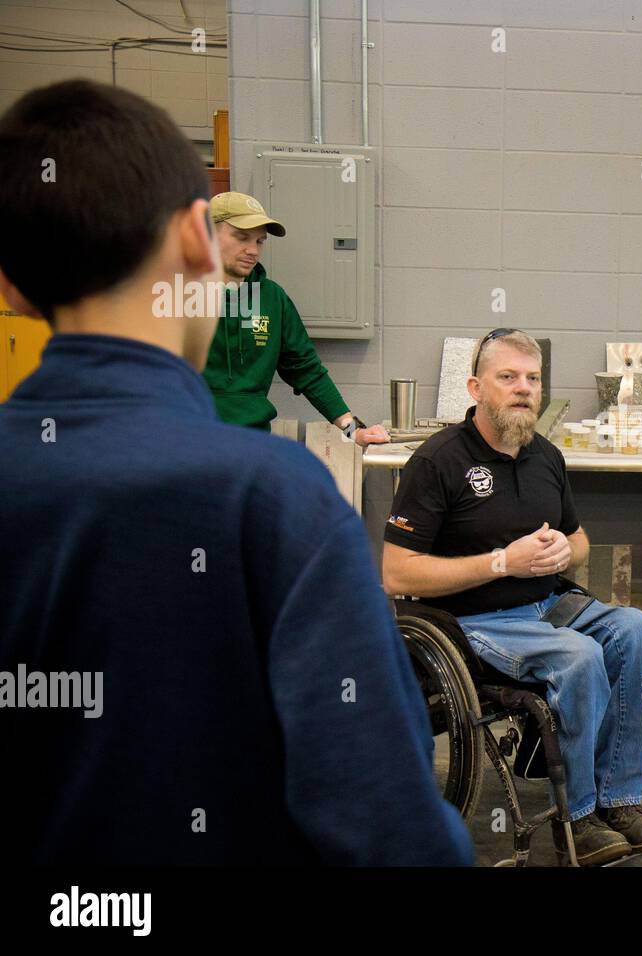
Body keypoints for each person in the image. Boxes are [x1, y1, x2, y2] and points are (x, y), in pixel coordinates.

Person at [0, 79, 472, 865]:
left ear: (8, 284)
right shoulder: (278, 503)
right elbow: (388, 825)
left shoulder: (270, 321)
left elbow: (306, 371)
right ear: (198, 237)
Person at [382, 328, 642, 866]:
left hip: (550, 605)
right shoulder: (439, 461)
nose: (524, 388)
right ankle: (580, 815)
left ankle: (621, 800)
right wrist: (502, 563)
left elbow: (579, 539)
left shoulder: (545, 456)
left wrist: (564, 553)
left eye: (533, 379)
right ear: (476, 387)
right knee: (581, 655)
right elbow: (396, 573)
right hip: (477, 623)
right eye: (508, 377)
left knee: (634, 627)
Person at [202, 191, 388, 445]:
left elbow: (307, 370)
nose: (252, 250)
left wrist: (353, 431)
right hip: (187, 444)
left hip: (250, 445)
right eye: (241, 237)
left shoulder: (272, 298)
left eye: (259, 241)